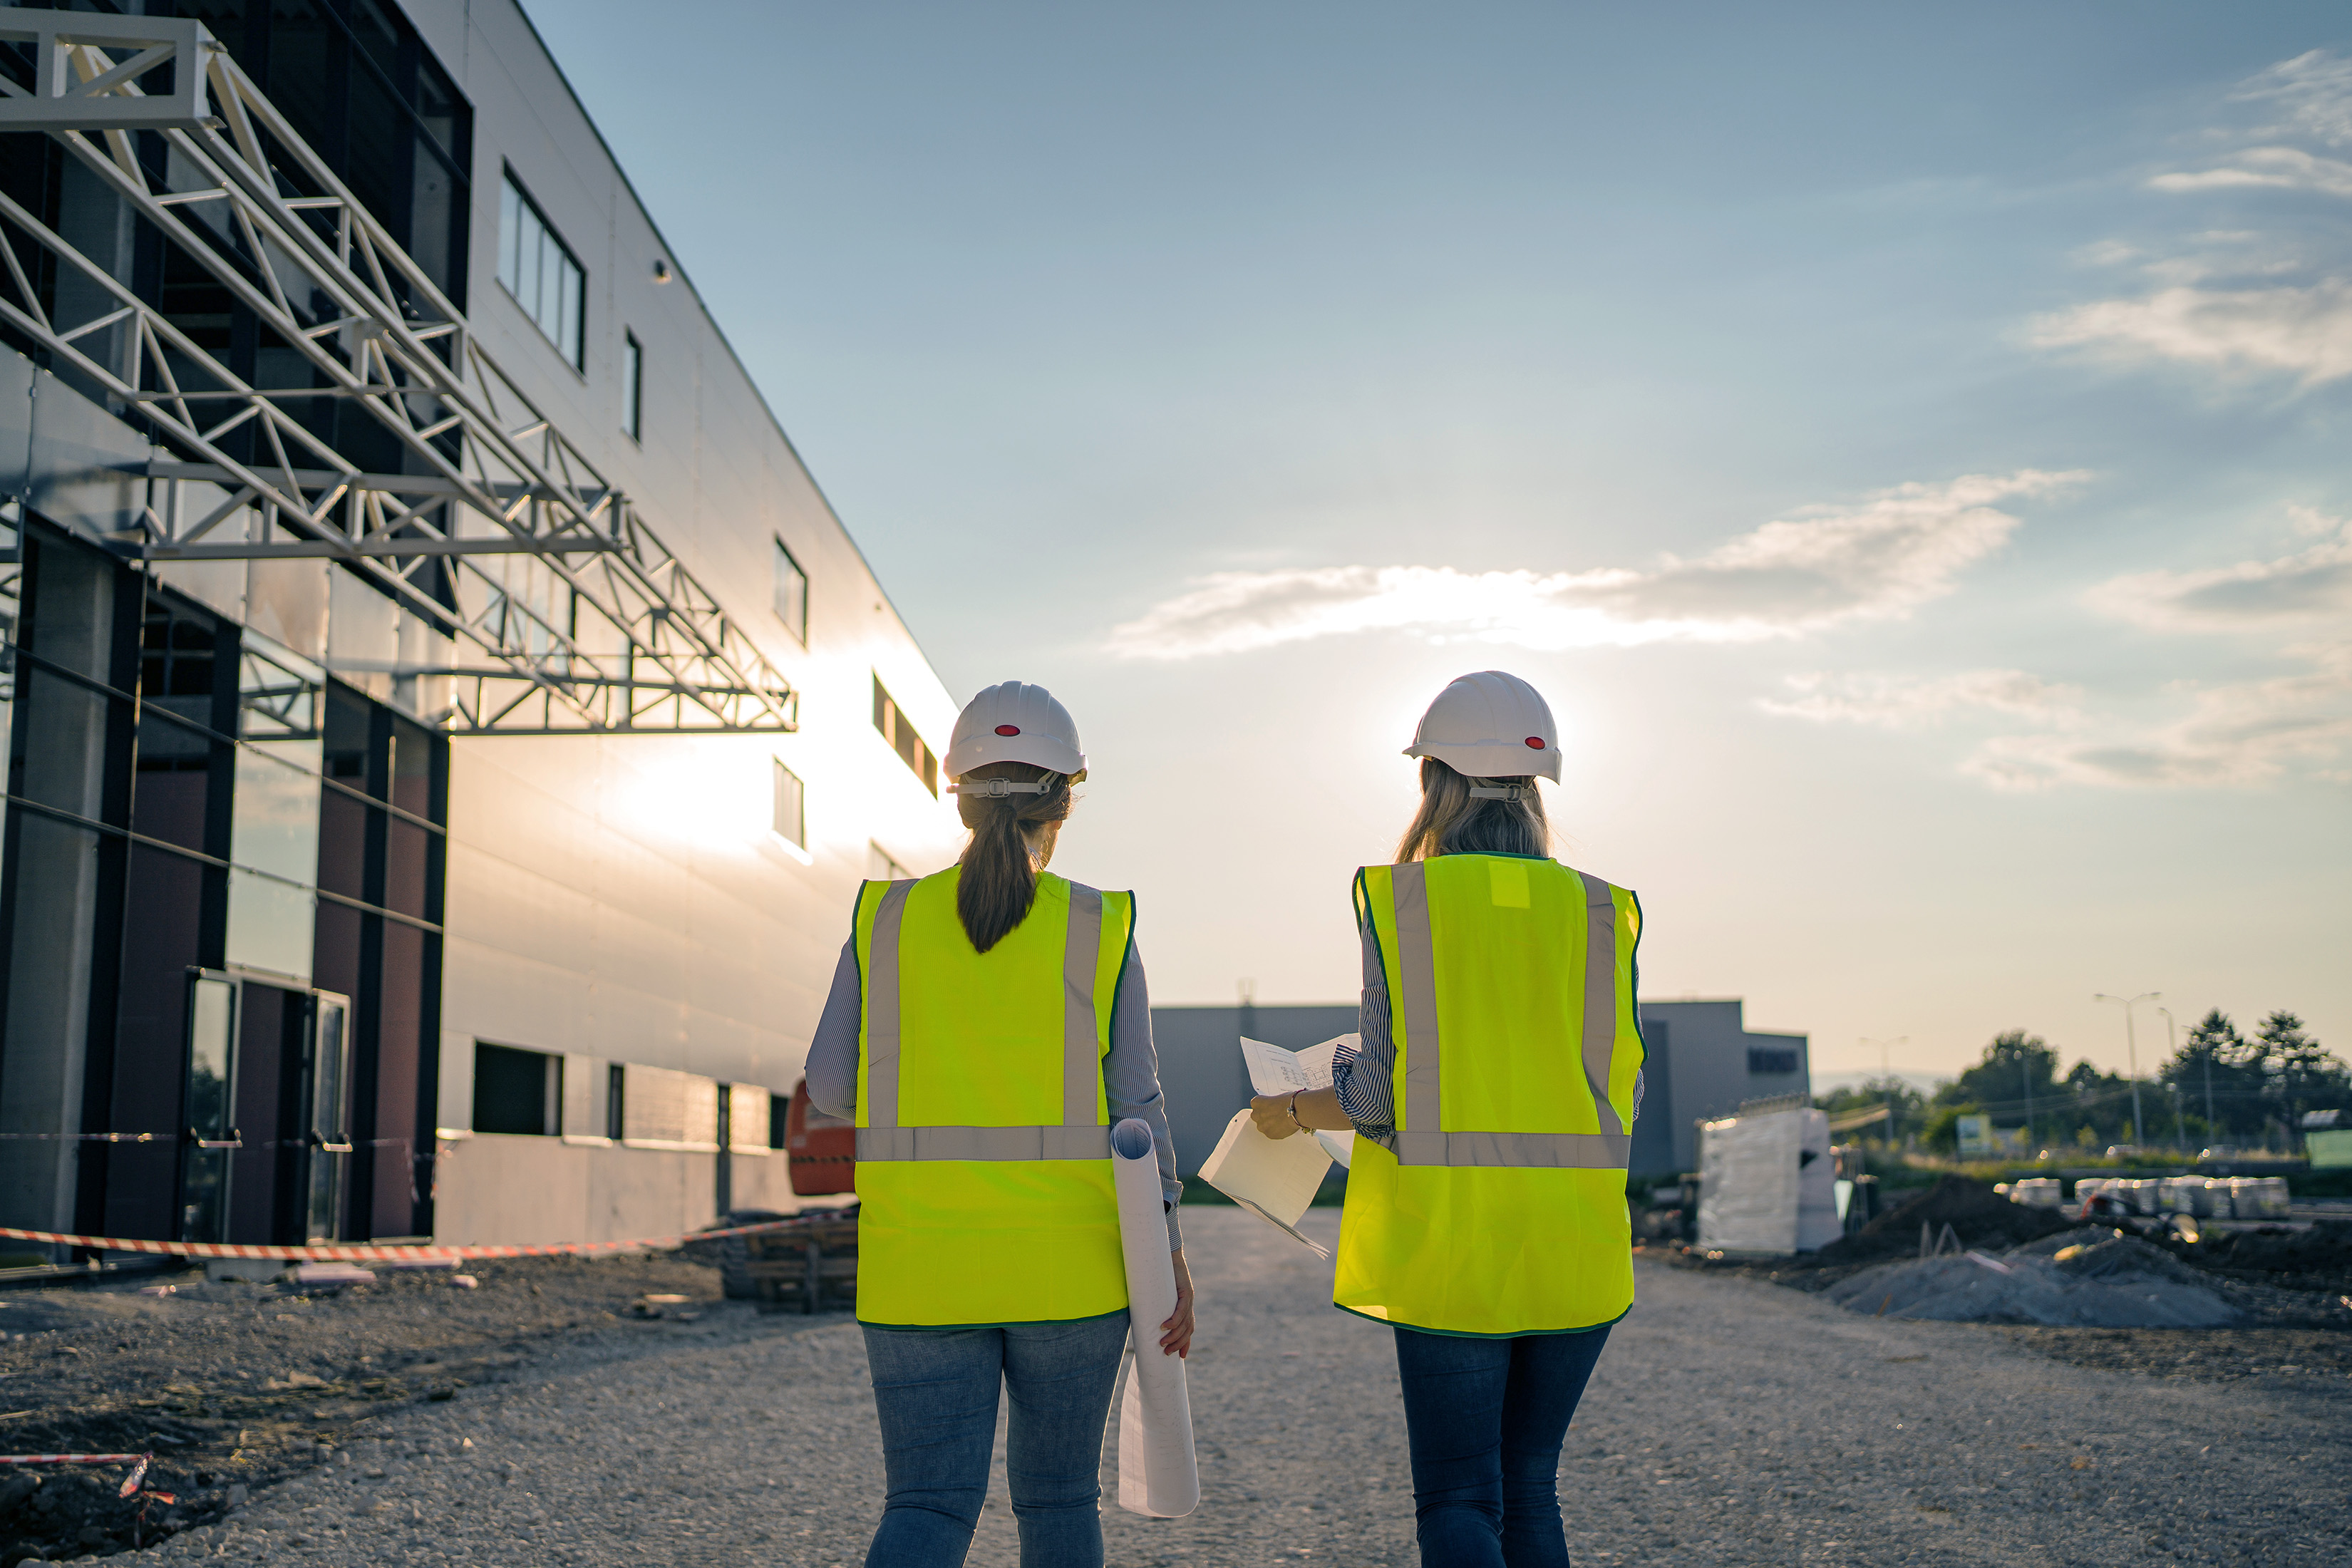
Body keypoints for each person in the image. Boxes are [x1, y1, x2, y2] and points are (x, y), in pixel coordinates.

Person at [1251, 669, 1643, 1568]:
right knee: (1530, 1485)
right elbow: (1619, 1084)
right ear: (1536, 787)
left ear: (1434, 781)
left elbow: (1384, 1099)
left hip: (1455, 1246)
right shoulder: (1600, 912)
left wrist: (1303, 1104)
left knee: (1462, 1496)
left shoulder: (1406, 904)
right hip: (1576, 1246)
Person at [803, 679, 1192, 1568]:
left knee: (930, 1505)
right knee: (1058, 1501)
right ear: (1064, 797)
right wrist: (1168, 1250)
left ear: (959, 793)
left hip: (920, 1267)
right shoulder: (1101, 925)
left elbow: (830, 1085)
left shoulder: (884, 917)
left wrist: (933, 1095)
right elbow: (1138, 1108)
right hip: (1072, 1271)